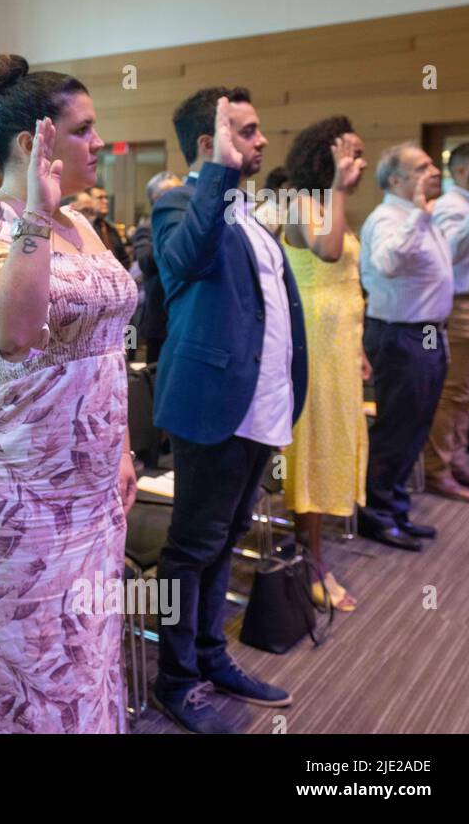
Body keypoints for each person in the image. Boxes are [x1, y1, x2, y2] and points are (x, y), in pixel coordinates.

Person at [0, 54, 137, 733]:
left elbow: (108, 346)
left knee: (87, 663)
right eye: (83, 130)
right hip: (14, 495)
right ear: (34, 143)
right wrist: (34, 220)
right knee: (25, 681)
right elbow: (16, 331)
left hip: (89, 493)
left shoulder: (84, 227)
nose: (98, 143)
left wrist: (122, 448)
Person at [152, 88, 306, 733]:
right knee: (191, 551)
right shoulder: (179, 203)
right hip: (213, 408)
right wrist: (218, 167)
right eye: (245, 131)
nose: (262, 141)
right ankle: (175, 678)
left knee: (225, 543)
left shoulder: (249, 213)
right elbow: (188, 260)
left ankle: (212, 656)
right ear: (208, 144)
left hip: (260, 407)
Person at [278, 116, 371, 611]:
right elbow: (329, 254)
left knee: (334, 440)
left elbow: (348, 285)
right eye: (351, 153)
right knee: (315, 445)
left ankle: (314, 551)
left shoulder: (330, 204)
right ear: (325, 158)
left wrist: (358, 348)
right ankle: (310, 559)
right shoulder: (302, 201)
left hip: (339, 342)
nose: (361, 162)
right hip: (312, 341)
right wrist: (338, 186)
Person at [357, 142, 452, 549]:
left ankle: (395, 506)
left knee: (416, 426)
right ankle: (376, 514)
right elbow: (387, 264)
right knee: (397, 429)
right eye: (422, 167)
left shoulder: (422, 216)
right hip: (401, 335)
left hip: (428, 332)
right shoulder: (387, 218)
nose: (433, 170)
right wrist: (417, 214)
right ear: (396, 180)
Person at [423, 142, 469, 500]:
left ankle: (456, 460)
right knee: (453, 392)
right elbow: (449, 254)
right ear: (461, 170)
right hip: (461, 305)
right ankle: (436, 468)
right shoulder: (450, 207)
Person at [131, 171, 182, 364]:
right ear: (156, 198)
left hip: (183, 319)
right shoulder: (147, 229)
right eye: (173, 192)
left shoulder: (186, 226)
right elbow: (145, 262)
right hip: (159, 321)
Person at [89, 183, 129, 267]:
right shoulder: (85, 229)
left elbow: (124, 258)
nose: (106, 201)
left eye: (106, 198)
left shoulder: (111, 229)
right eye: (100, 198)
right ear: (88, 202)